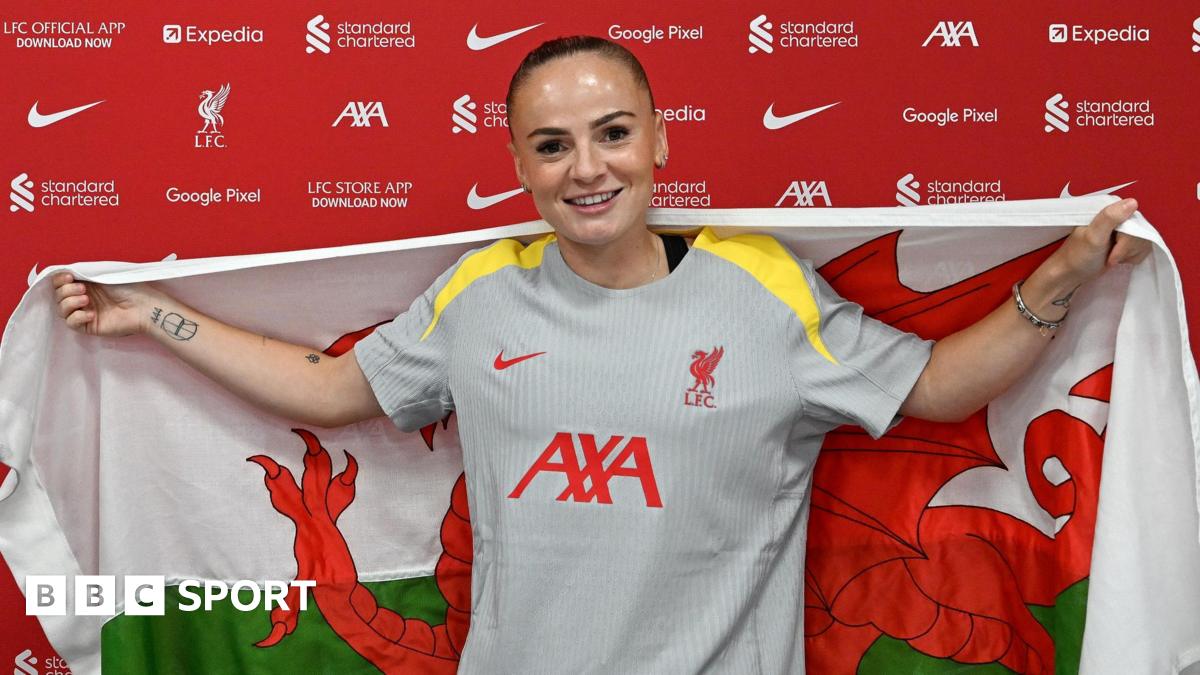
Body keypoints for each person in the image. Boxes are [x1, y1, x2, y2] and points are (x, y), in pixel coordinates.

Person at [51, 35, 1150, 674]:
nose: (587, 168)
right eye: (552, 144)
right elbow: (335, 392)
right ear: (522, 166)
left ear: (659, 140)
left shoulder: (762, 288)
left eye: (613, 132)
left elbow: (934, 385)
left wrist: (1049, 286)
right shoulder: (481, 292)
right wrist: (158, 318)